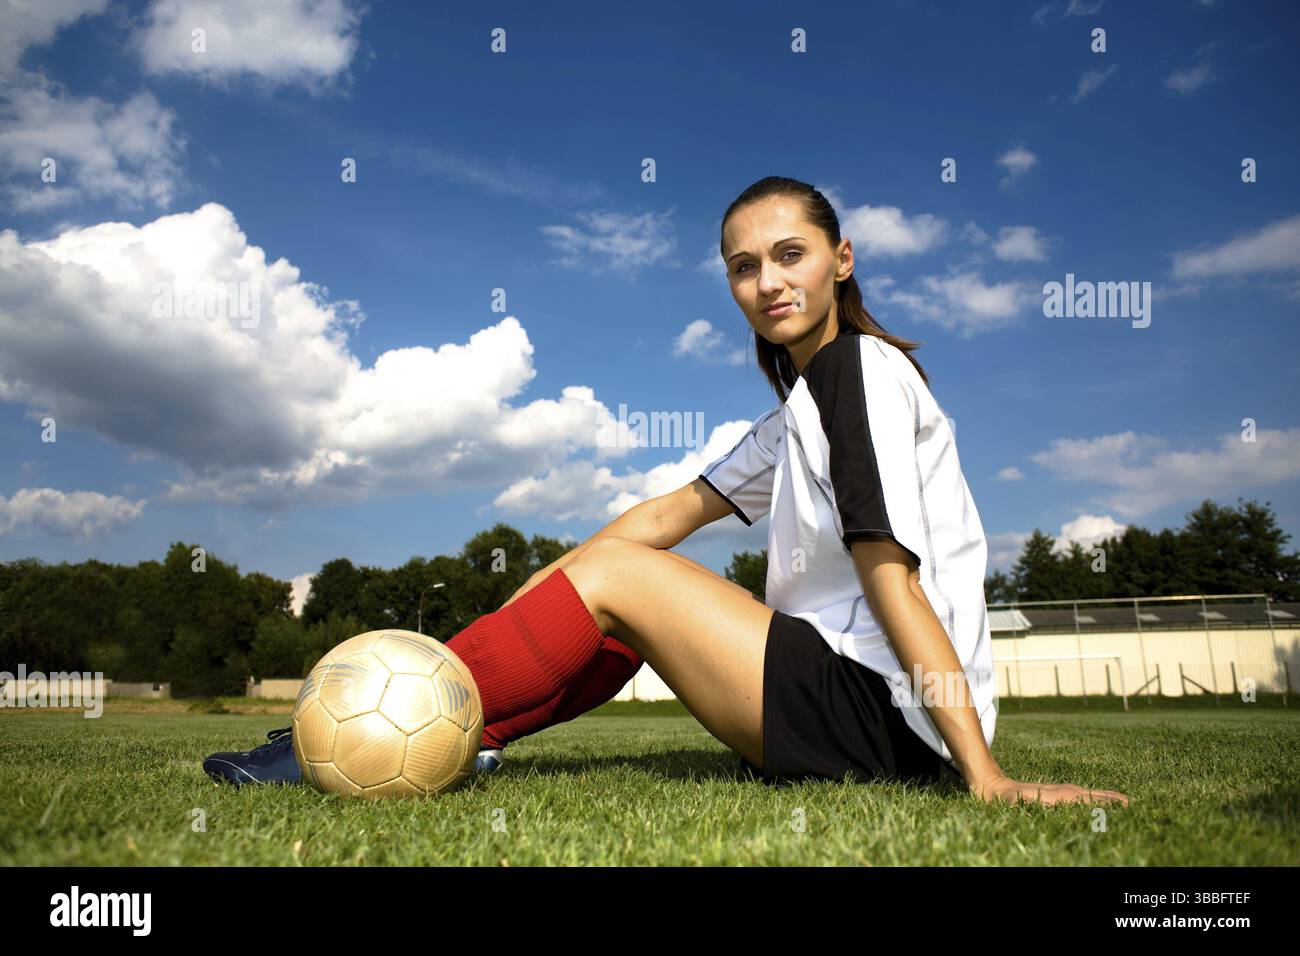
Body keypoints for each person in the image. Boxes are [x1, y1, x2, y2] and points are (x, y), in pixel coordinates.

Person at [205, 175, 1128, 807]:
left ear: (841, 260)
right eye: (743, 266)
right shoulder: (806, 405)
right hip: (851, 710)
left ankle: (359, 729)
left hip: (883, 714)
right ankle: (458, 733)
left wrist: (985, 774)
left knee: (623, 579)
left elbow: (893, 577)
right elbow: (664, 516)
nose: (769, 282)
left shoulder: (859, 371)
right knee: (617, 576)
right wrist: (533, 607)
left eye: (791, 255)